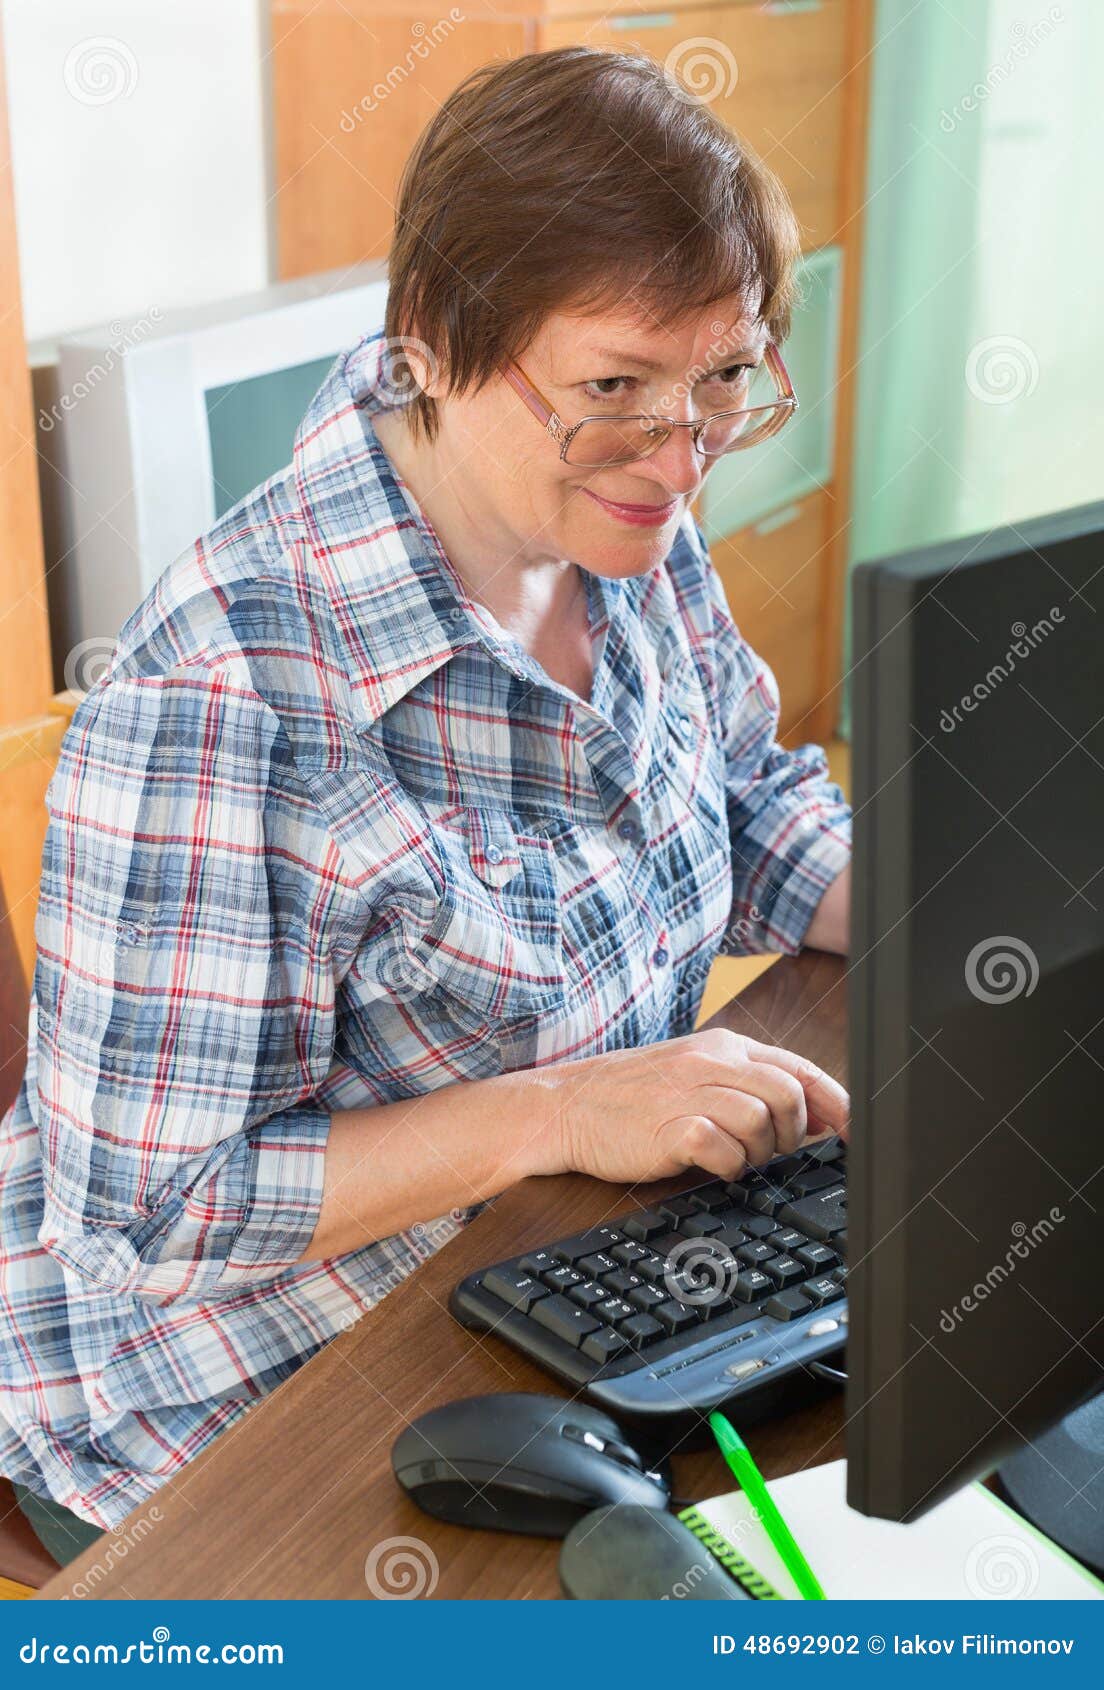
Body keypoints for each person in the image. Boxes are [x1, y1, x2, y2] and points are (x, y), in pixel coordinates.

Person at [0, 45, 851, 1564]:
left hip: (552, 1274)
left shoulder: (623, 512)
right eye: (615, 390)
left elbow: (745, 805)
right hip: (241, 1408)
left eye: (724, 381)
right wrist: (567, 1108)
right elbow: (153, 1218)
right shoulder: (230, 696)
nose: (682, 454)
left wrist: (983, 904)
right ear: (434, 344)